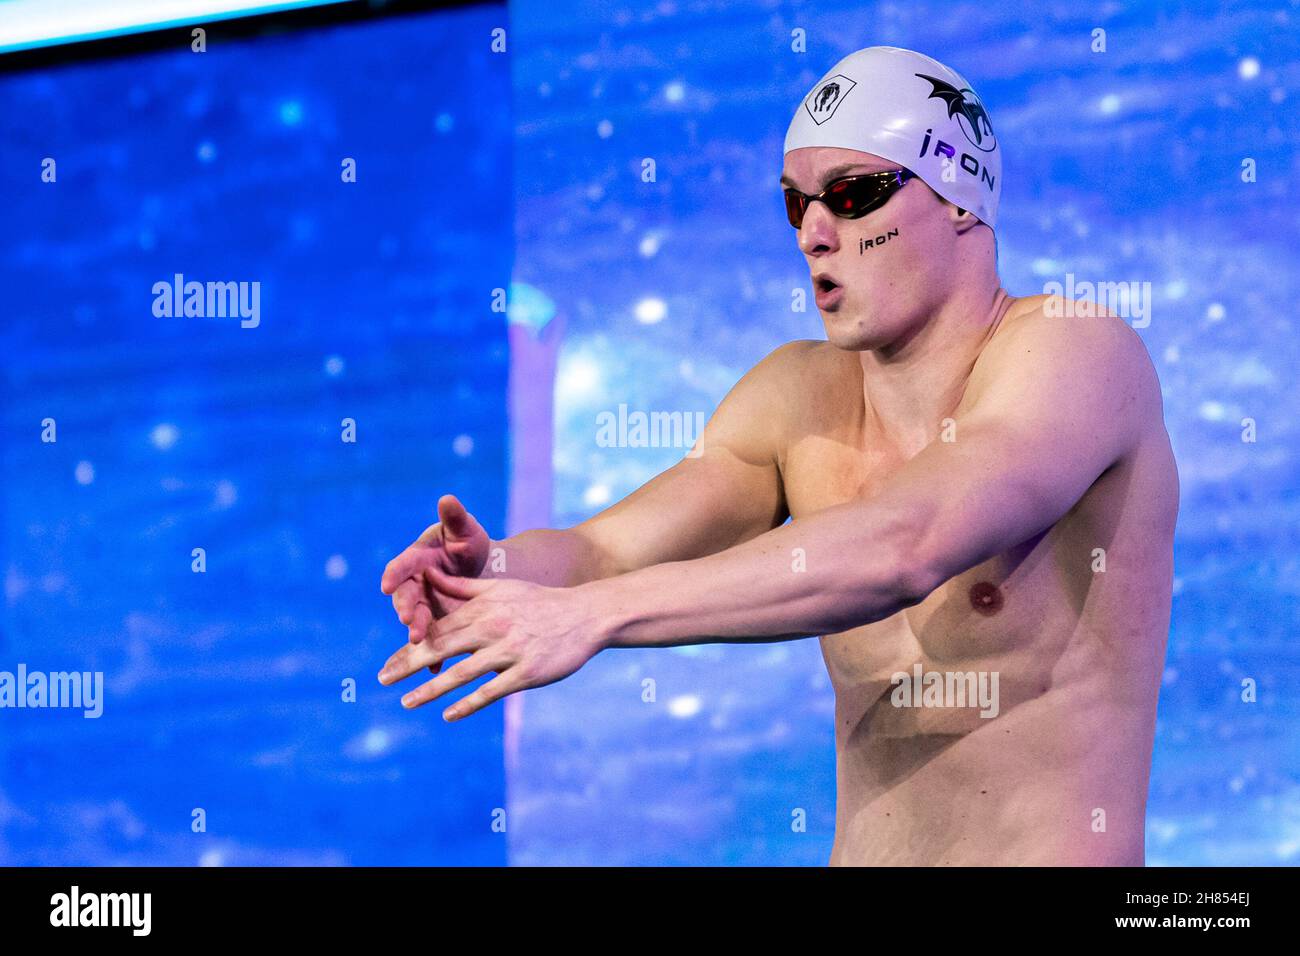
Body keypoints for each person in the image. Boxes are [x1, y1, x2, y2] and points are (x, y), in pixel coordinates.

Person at [378, 46, 1179, 866]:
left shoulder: (1075, 351)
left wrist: (594, 615)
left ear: (961, 197)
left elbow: (910, 544)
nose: (813, 235)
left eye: (852, 195)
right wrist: (497, 573)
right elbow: (605, 549)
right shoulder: (795, 396)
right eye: (795, 205)